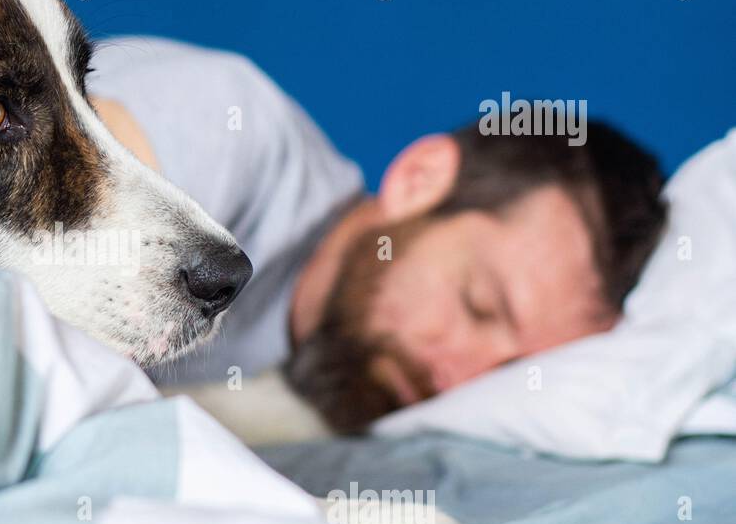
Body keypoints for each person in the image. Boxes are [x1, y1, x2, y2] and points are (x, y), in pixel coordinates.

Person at [88, 37, 667, 432]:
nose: (458, 377)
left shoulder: (345, 391)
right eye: (479, 305)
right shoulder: (229, 128)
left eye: (507, 372)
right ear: (419, 181)